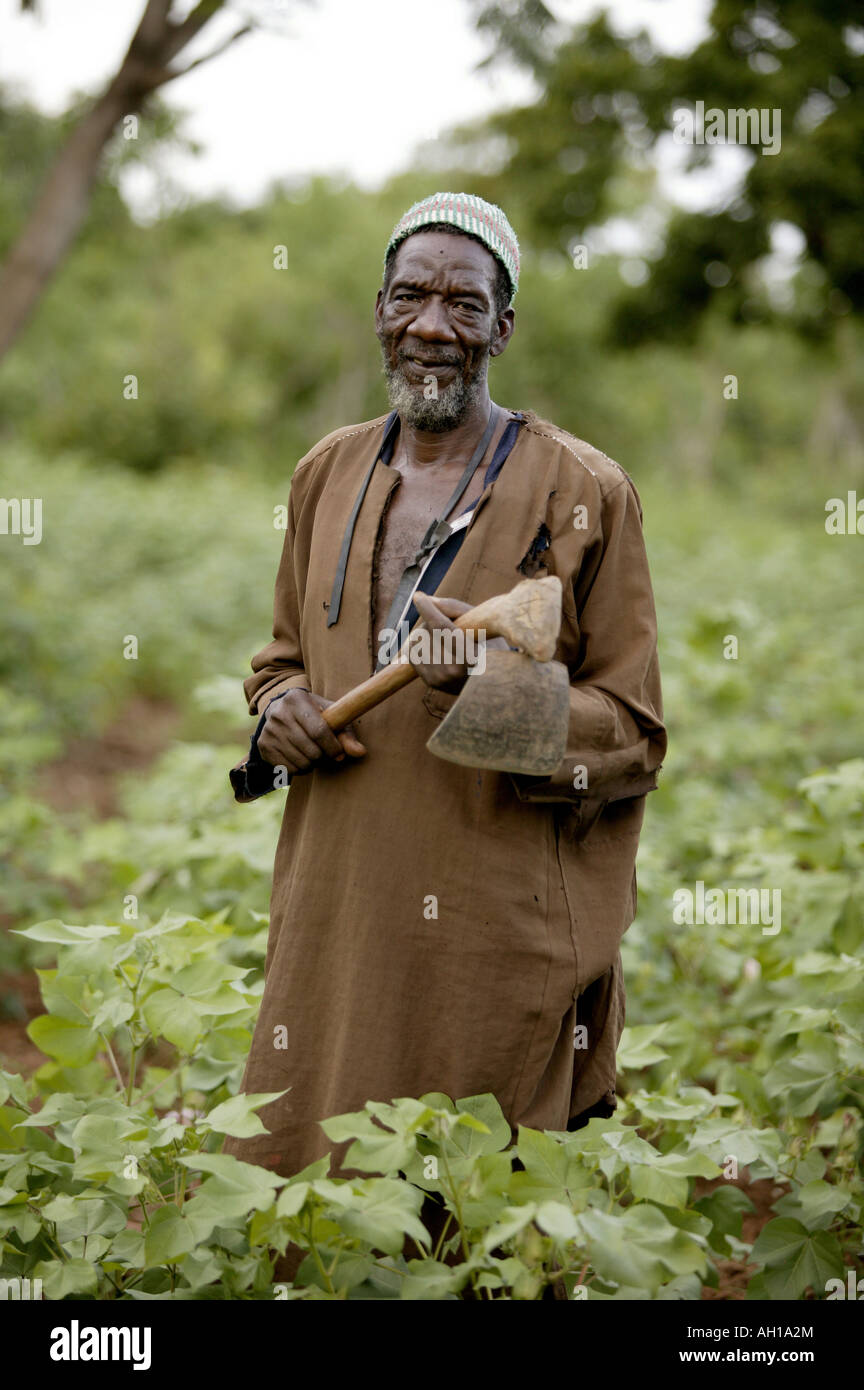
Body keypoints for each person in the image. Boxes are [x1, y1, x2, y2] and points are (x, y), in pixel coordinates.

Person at [224, 193, 666, 1229]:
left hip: (490, 926)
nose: (433, 324)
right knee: (320, 1194)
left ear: (502, 329)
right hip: (337, 914)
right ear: (379, 308)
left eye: (464, 305)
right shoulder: (324, 471)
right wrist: (279, 709)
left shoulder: (586, 489)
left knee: (469, 1209)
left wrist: (497, 695)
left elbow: (635, 732)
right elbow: (282, 658)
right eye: (412, 295)